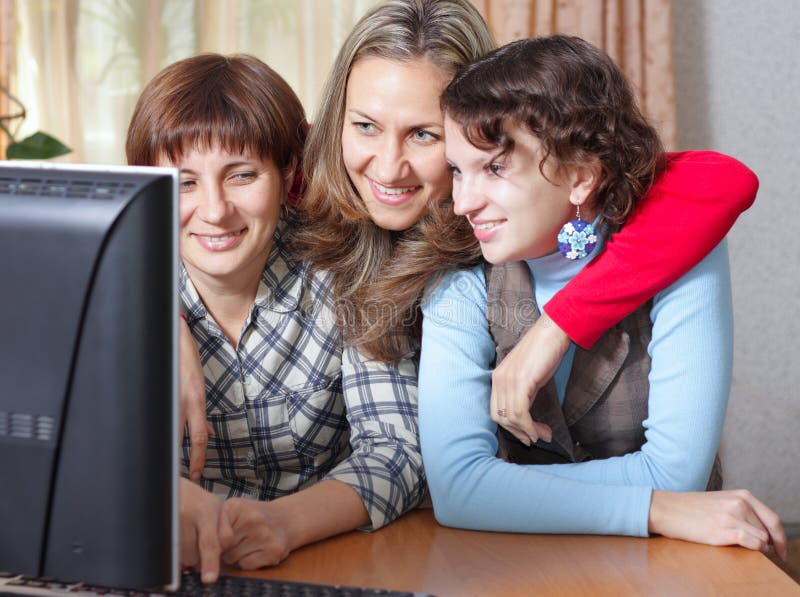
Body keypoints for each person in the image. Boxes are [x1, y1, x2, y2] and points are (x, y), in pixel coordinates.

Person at [419, 34, 786, 558]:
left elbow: (675, 472)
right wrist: (654, 507)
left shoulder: (684, 249)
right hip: (512, 566)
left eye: (495, 168)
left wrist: (509, 494)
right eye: (458, 169)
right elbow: (459, 492)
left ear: (580, 176)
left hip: (675, 562)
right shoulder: (457, 276)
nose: (462, 203)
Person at [126, 53, 425, 583]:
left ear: (288, 171)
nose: (215, 210)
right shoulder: (118, 292)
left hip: (325, 562)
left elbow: (397, 450)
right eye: (185, 182)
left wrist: (283, 524)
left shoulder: (345, 272)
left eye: (241, 176)